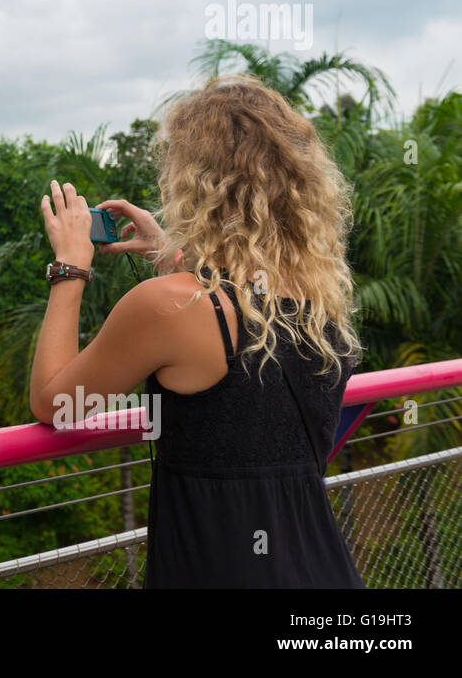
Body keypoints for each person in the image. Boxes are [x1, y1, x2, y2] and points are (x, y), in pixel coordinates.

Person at [30, 75, 364, 588]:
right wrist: (176, 258)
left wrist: (71, 268)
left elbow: (54, 403)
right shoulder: (320, 297)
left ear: (194, 180)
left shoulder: (169, 306)